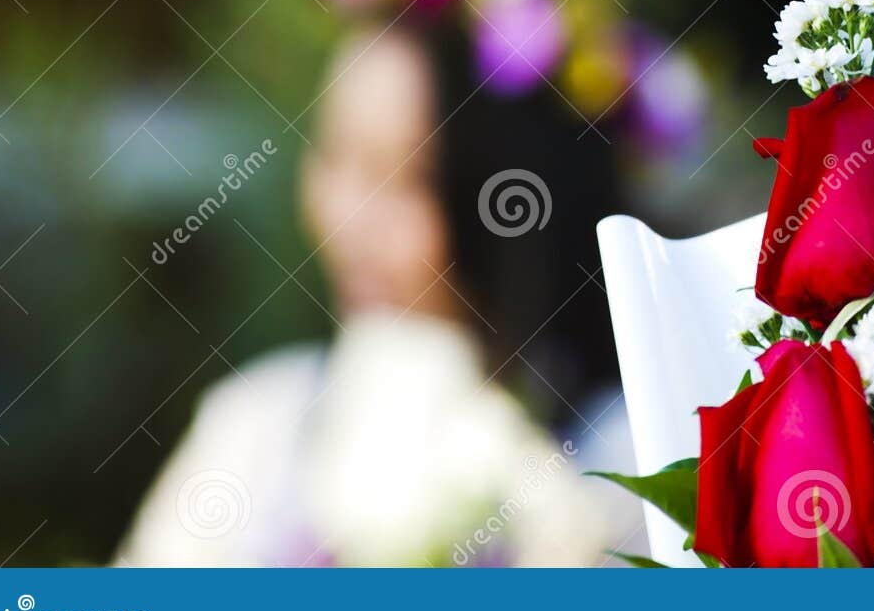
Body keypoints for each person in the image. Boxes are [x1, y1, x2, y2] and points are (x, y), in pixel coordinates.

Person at [117, 28, 619, 566]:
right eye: (337, 157)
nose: (351, 221)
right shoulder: (253, 428)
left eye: (410, 179)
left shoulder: (615, 470)